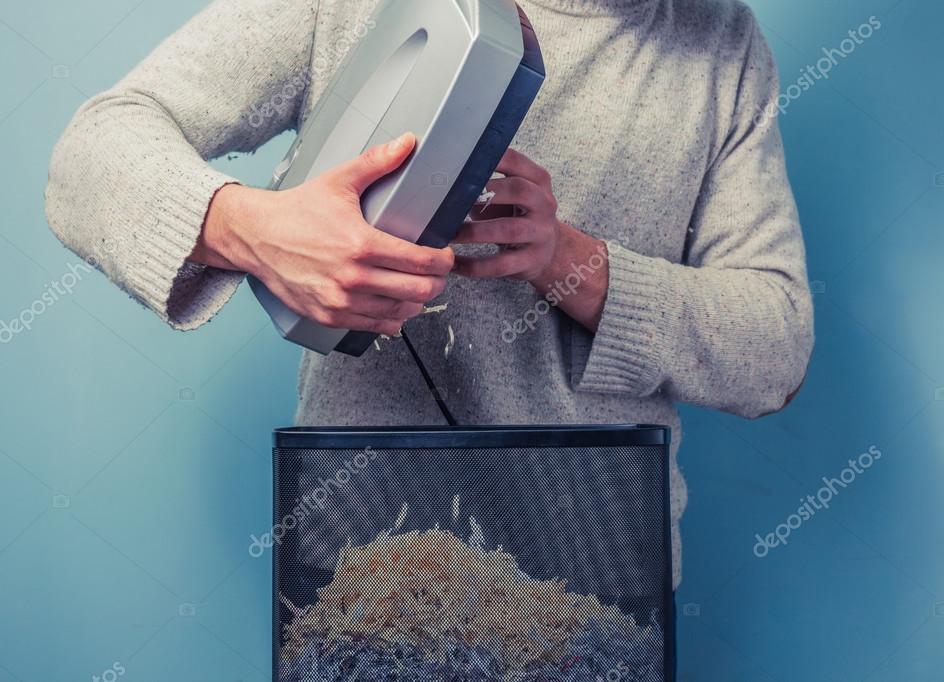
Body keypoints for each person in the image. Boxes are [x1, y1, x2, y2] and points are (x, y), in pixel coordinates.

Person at [44, 0, 814, 589]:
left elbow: (772, 352)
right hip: (365, 577)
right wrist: (253, 231)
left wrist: (564, 258)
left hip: (596, 591)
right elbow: (91, 151)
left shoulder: (723, 43)